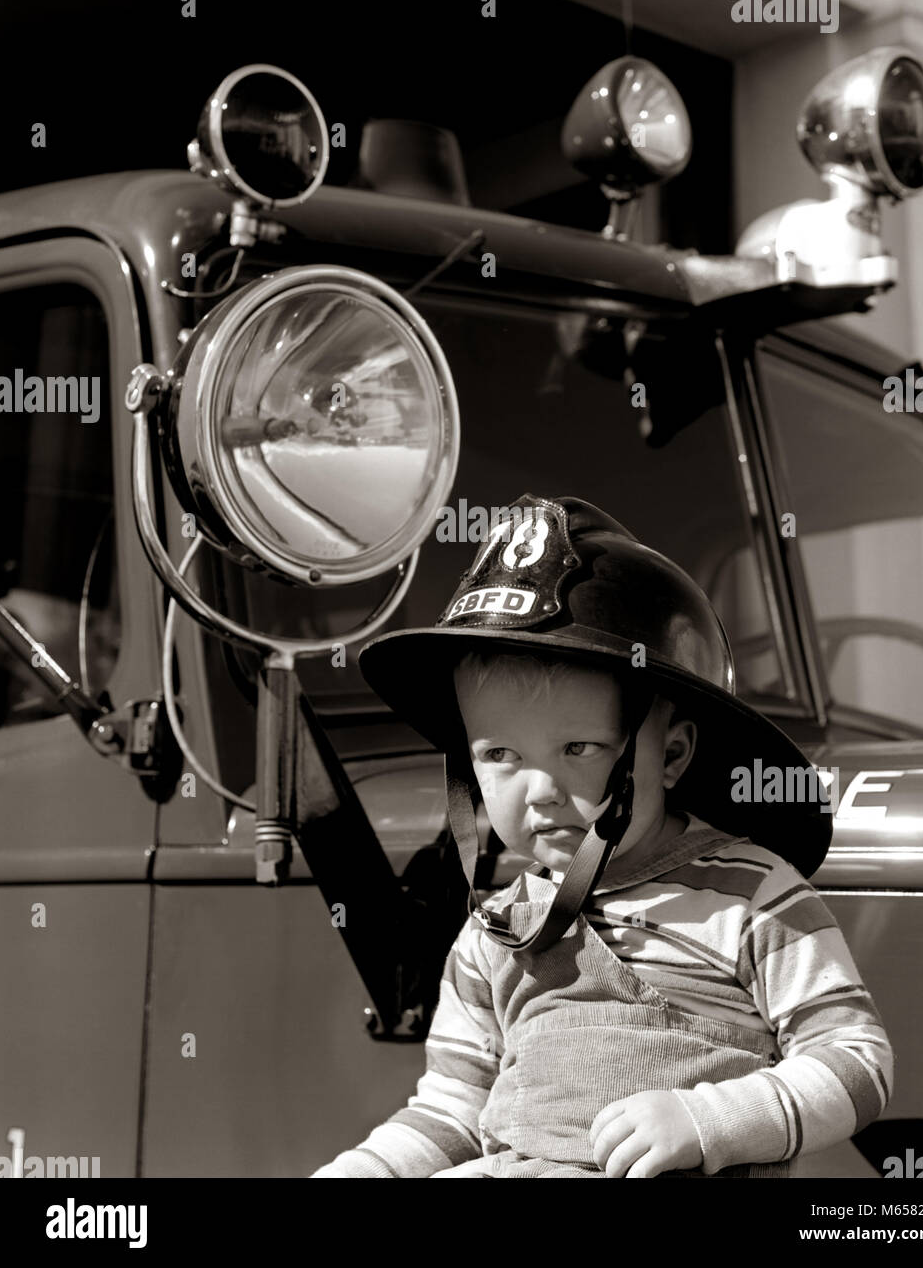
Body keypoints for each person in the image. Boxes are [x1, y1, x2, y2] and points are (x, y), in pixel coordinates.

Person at [311, 494, 891, 1179]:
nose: (540, 789)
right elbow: (451, 1112)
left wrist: (709, 1121)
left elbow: (857, 1063)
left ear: (672, 756)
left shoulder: (752, 897)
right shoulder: (493, 936)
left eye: (579, 748)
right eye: (500, 757)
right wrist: (366, 1171)